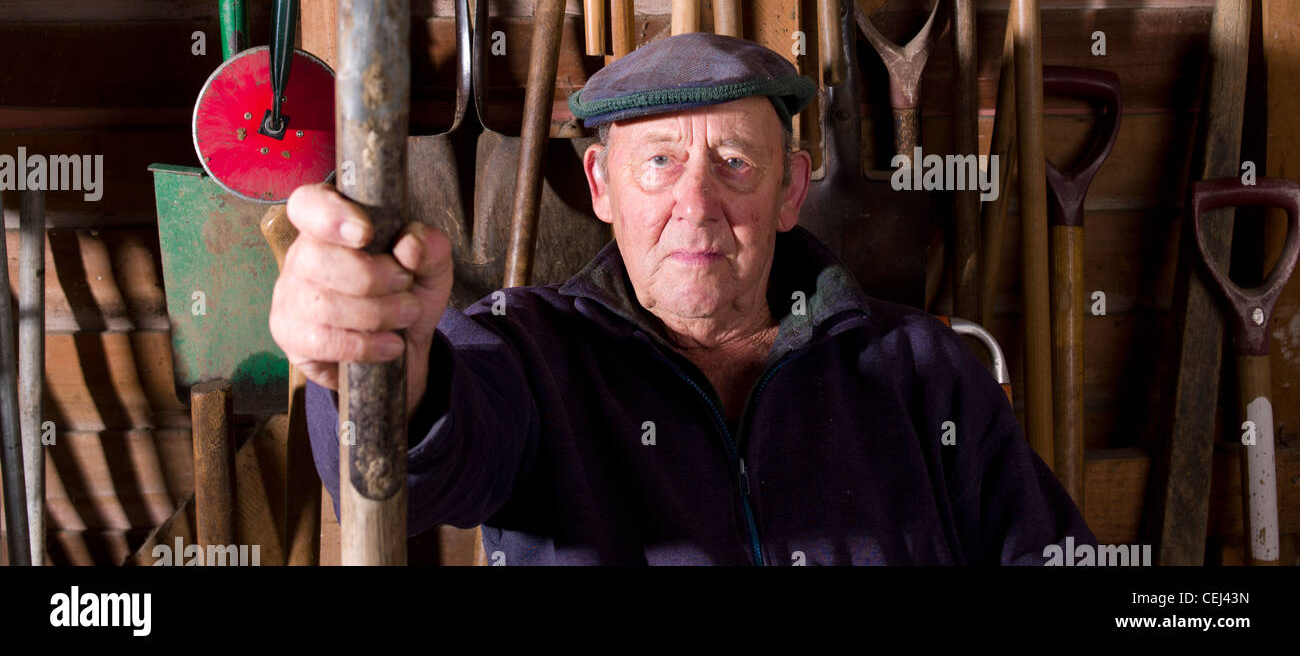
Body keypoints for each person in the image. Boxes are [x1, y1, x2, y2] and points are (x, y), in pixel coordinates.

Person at [273, 32, 1095, 565]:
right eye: (659, 162)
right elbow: (414, 474)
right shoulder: (530, 358)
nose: (695, 205)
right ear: (601, 185)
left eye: (735, 161)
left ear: (790, 189)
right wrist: (370, 367)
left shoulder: (924, 369)